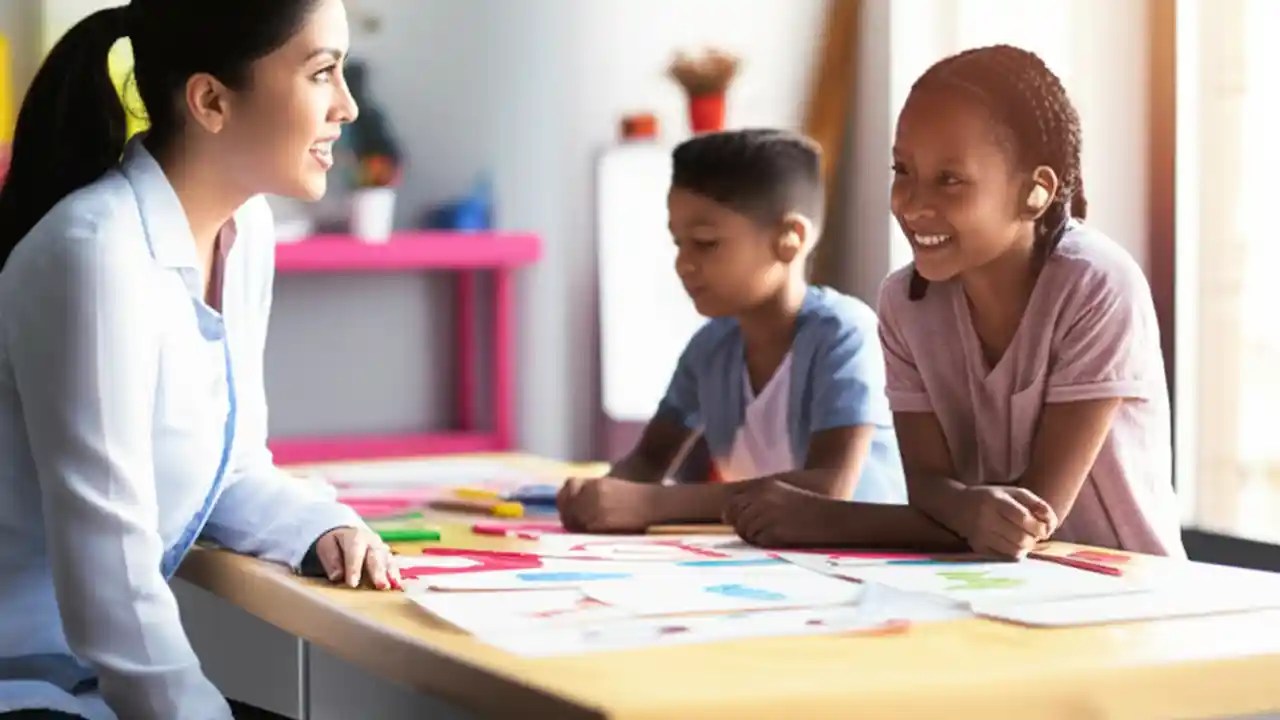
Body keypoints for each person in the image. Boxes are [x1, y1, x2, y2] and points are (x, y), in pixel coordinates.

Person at [0, 1, 400, 718]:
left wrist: (319, 523)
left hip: (93, 675)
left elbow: (234, 462)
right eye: (322, 73)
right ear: (211, 100)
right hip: (28, 681)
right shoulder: (95, 254)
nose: (346, 106)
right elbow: (108, 562)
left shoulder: (244, 229)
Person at [726, 45, 1183, 559]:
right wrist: (964, 509)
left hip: (1128, 598)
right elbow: (930, 491)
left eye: (950, 180)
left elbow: (1032, 519)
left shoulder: (1096, 284)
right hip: (994, 587)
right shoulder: (905, 303)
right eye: (902, 170)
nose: (913, 203)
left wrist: (825, 518)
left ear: (1035, 191)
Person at [557, 129, 906, 542]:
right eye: (678, 243)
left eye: (705, 244)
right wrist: (596, 496)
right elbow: (647, 462)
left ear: (789, 239)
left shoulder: (844, 335)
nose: (683, 264)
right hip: (770, 564)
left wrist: (652, 504)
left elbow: (828, 489)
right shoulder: (710, 347)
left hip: (862, 564)